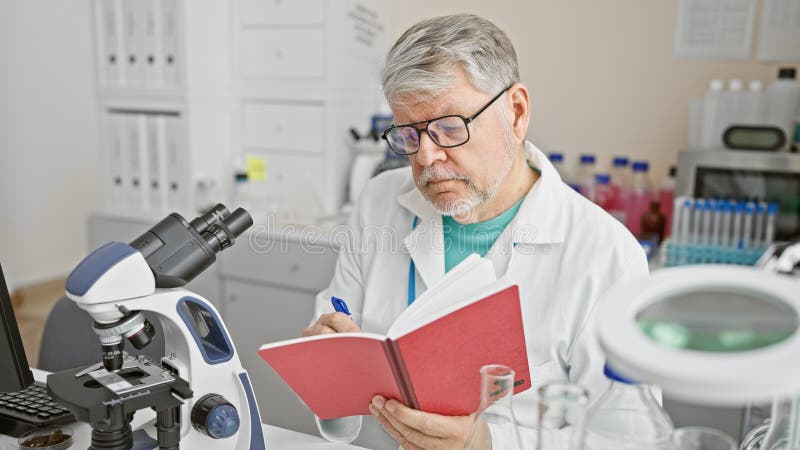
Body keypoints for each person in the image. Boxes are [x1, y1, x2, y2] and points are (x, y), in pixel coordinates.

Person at [303, 13, 648, 450]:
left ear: (517, 113)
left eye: (449, 128)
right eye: (409, 135)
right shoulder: (378, 202)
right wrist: (326, 377)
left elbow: (630, 440)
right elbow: (339, 404)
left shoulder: (605, 253)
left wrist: (491, 444)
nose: (426, 157)